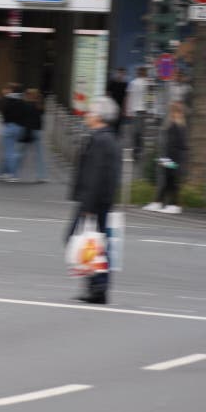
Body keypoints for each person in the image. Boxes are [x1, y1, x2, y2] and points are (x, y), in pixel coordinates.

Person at [67, 96, 121, 305]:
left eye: (90, 112)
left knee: (88, 243)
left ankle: (98, 287)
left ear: (99, 116)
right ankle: (96, 286)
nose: (87, 115)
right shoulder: (106, 138)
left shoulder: (101, 140)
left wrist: (87, 207)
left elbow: (95, 175)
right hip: (98, 201)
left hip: (93, 202)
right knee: (93, 243)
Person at [143, 101, 188, 214]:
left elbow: (176, 145)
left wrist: (168, 160)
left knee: (170, 181)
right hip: (171, 157)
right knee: (167, 180)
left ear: (173, 111)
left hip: (172, 158)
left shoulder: (176, 126)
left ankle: (173, 204)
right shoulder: (176, 124)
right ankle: (160, 202)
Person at [17, 88, 47, 182]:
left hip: (26, 130)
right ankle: (41, 176)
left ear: (27, 95)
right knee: (39, 155)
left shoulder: (25, 105)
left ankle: (14, 173)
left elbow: (21, 118)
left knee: (20, 154)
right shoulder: (39, 105)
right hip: (37, 131)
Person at [0, 83, 25, 182]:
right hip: (19, 128)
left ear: (12, 90)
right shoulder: (22, 100)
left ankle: (13, 175)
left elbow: (3, 112)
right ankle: (2, 173)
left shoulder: (7, 100)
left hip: (9, 127)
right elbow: (24, 114)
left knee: (9, 152)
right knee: (12, 151)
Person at [126, 67, 149, 160]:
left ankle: (136, 151)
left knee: (135, 132)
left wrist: (128, 110)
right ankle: (139, 151)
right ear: (144, 73)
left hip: (135, 111)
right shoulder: (147, 83)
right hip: (143, 110)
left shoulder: (132, 83)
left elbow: (129, 97)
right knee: (141, 132)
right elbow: (149, 98)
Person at [106, 67, 128, 135]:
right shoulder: (112, 83)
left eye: (123, 73)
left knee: (118, 125)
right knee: (110, 123)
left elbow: (125, 97)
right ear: (116, 73)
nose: (121, 75)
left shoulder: (125, 84)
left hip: (120, 107)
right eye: (119, 73)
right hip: (111, 107)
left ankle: (115, 139)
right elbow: (107, 94)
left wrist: (124, 109)